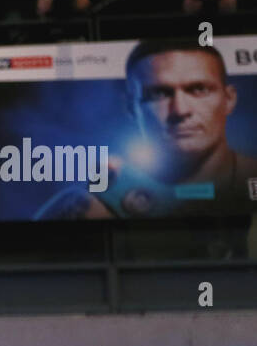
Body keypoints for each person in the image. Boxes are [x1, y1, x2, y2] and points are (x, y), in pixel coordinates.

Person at [36, 39, 257, 219]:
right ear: (131, 108)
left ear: (229, 99)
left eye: (198, 89)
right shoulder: (99, 201)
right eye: (159, 94)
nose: (180, 110)